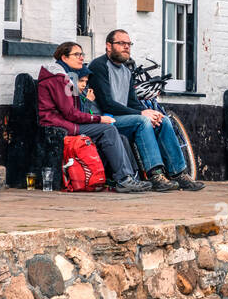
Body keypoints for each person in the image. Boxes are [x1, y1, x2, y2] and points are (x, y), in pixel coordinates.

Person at [87, 29, 204, 191]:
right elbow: (107, 104)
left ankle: (178, 173)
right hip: (105, 120)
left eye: (128, 44)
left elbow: (133, 103)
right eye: (121, 43)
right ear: (108, 46)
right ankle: (155, 175)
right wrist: (142, 113)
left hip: (123, 119)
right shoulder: (99, 66)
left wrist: (150, 113)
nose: (126, 47)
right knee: (142, 121)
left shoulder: (126, 72)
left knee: (162, 120)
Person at [37, 42, 149, 192]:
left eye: (82, 54)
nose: (81, 58)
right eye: (76, 55)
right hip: (58, 125)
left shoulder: (67, 77)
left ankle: (130, 177)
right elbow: (71, 113)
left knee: (119, 136)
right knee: (108, 130)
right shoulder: (59, 79)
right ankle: (123, 179)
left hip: (67, 122)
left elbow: (72, 110)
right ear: (64, 57)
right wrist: (98, 119)